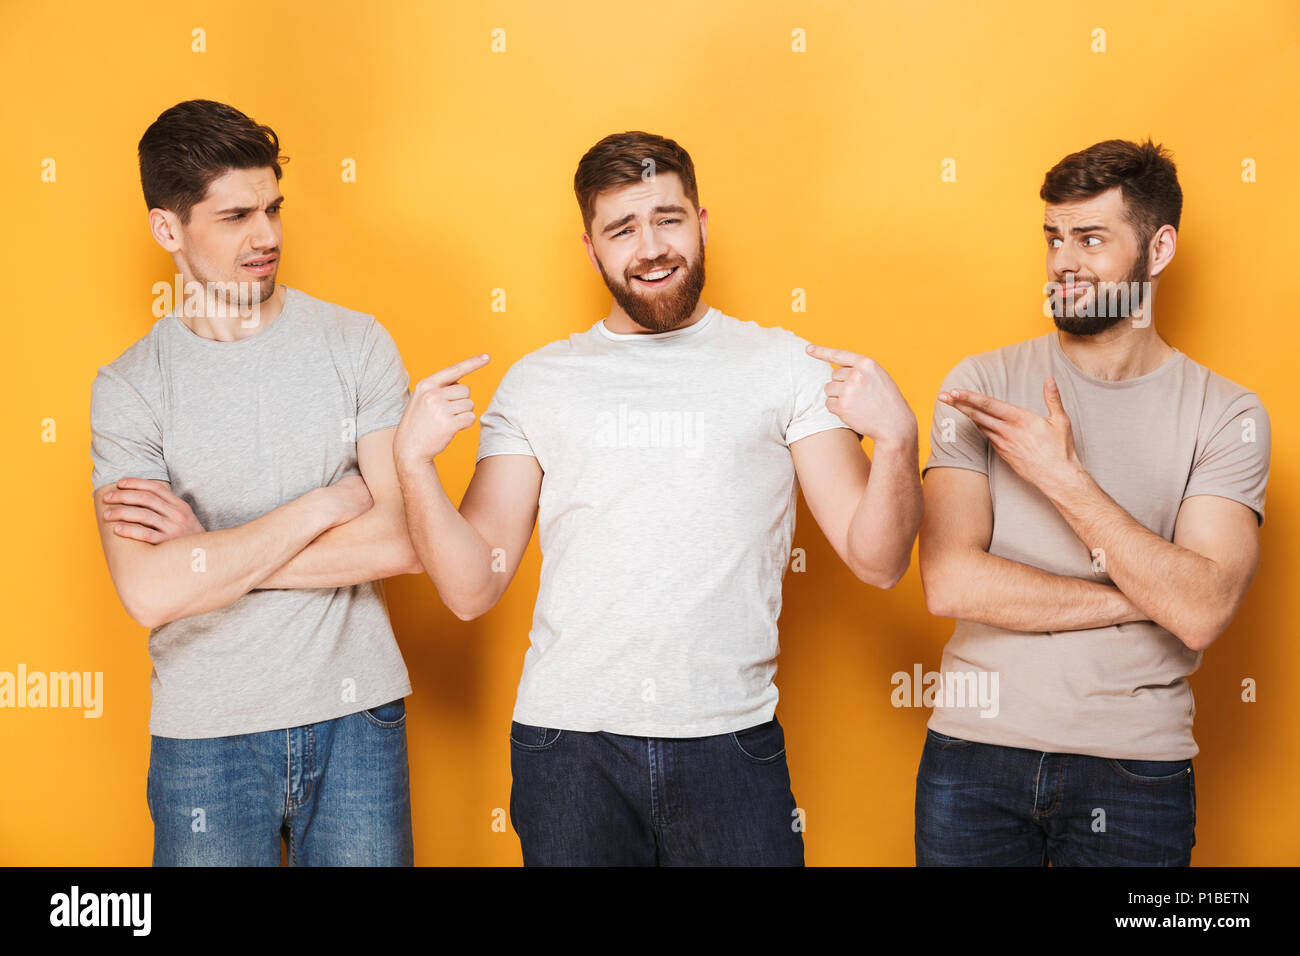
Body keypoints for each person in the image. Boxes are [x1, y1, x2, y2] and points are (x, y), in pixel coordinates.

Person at [394, 130, 923, 865]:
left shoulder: (786, 367)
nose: (650, 248)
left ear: (700, 224)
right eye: (622, 229)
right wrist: (412, 463)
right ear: (591, 250)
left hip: (729, 742)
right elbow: (469, 587)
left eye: (667, 219)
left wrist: (898, 441)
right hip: (569, 748)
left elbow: (879, 561)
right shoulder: (540, 382)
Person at [915, 138, 1271, 866]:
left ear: (1158, 248)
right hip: (975, 754)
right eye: (1053, 238)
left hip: (1137, 769)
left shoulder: (1227, 414)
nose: (1063, 262)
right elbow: (949, 580)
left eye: (1091, 239)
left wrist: (1062, 477)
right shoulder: (979, 385)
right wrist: (1147, 596)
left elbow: (1202, 610)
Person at [89, 99, 422, 866]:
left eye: (273, 208)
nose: (267, 236)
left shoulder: (357, 342)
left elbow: (404, 540)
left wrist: (206, 553)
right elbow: (149, 592)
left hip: (357, 715)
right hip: (206, 736)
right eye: (236, 216)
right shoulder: (130, 387)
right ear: (168, 229)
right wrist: (328, 503)